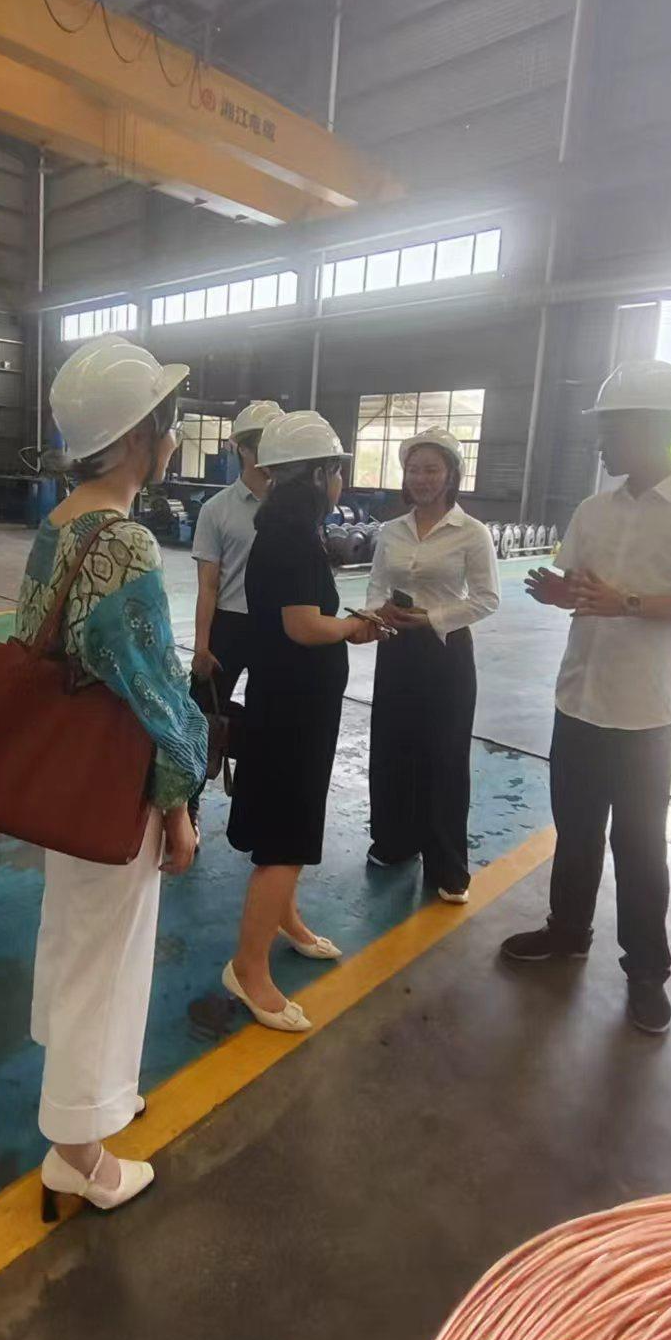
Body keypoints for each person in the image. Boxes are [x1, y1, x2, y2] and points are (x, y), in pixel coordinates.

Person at [16, 335, 207, 1216]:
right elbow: (155, 691)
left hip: (62, 772)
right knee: (108, 955)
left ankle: (89, 1091)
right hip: (114, 781)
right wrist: (177, 802)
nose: (172, 440)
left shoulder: (59, 521)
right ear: (137, 438)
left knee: (75, 934)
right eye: (167, 425)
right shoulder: (124, 542)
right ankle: (78, 1152)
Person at [501, 359, 671, 1035]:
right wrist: (562, 594)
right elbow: (583, 590)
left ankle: (645, 972)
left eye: (610, 429)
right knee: (576, 833)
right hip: (578, 702)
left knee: (639, 848)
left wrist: (627, 602)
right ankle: (566, 931)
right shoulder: (593, 510)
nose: (601, 443)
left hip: (643, 715)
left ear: (652, 427)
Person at [225, 410, 385, 1032]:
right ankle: (248, 969)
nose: (341, 480)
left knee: (285, 828)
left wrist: (342, 624)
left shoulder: (288, 530)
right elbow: (302, 625)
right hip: (294, 709)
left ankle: (286, 920)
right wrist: (354, 626)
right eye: (337, 470)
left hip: (290, 699)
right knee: (285, 841)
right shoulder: (293, 539)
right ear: (320, 475)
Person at [366, 427, 500, 900]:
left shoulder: (471, 533)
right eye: (414, 469)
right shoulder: (391, 531)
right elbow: (376, 585)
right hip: (396, 647)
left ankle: (447, 866)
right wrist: (379, 613)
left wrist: (432, 618)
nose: (421, 478)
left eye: (431, 469)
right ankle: (394, 842)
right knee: (392, 746)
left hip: (446, 652)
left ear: (450, 475)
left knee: (444, 754)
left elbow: (486, 599)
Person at [189, 399, 284, 828]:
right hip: (229, 624)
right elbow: (208, 585)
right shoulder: (218, 510)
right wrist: (202, 645)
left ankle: (254, 810)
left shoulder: (294, 509)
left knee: (268, 719)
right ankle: (186, 808)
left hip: (276, 627)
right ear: (241, 448)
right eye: (261, 443)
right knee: (201, 718)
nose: (270, 452)